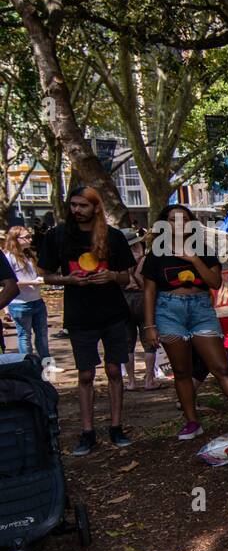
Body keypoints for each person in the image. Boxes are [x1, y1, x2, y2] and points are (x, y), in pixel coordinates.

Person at [36, 186, 135, 454]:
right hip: (80, 316)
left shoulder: (113, 237)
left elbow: (127, 278)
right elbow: (46, 275)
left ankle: (116, 427)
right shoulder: (57, 236)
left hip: (113, 313)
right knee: (86, 374)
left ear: (96, 208)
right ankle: (87, 432)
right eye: (73, 205)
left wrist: (112, 276)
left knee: (115, 370)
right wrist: (67, 280)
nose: (77, 210)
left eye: (83, 205)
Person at [141, 204, 228, 440]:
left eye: (184, 219)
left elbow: (216, 283)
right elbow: (148, 292)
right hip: (168, 312)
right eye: (172, 220)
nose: (179, 224)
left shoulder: (204, 250)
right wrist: (149, 326)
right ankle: (192, 422)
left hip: (201, 311)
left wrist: (193, 259)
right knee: (181, 370)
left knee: (220, 366)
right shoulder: (156, 254)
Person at [3, 225, 54, 365]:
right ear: (15, 239)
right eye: (26, 237)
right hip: (20, 304)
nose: (30, 239)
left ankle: (48, 365)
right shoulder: (9, 257)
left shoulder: (28, 255)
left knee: (42, 335)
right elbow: (11, 283)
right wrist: (31, 282)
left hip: (37, 301)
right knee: (24, 336)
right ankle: (28, 365)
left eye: (30, 236)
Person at [119, 228, 159, 391]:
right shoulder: (144, 260)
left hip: (124, 299)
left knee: (128, 343)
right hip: (143, 299)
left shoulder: (118, 261)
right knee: (148, 341)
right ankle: (149, 380)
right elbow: (148, 285)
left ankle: (131, 381)